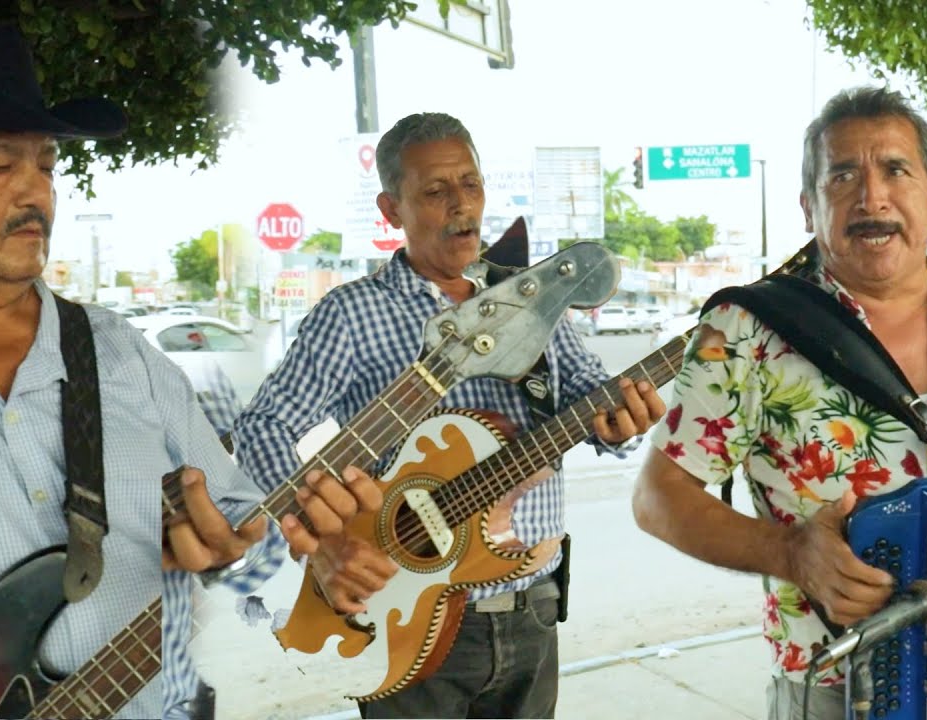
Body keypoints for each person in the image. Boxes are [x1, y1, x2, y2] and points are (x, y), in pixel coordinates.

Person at [0, 23, 375, 719]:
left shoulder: (119, 354)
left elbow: (247, 541)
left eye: (46, 166)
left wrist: (298, 553)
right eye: (0, 167)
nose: (35, 193)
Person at [630, 86, 927, 720]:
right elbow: (658, 496)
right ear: (808, 207)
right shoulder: (747, 329)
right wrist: (789, 552)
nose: (871, 197)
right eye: (842, 175)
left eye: (895, 170)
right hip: (838, 688)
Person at [232, 111, 666, 719]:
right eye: (435, 192)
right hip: (409, 618)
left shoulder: (529, 295)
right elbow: (262, 427)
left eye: (470, 184)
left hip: (530, 608)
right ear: (392, 211)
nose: (461, 205)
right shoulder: (354, 314)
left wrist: (625, 419)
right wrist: (323, 540)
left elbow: (597, 406)